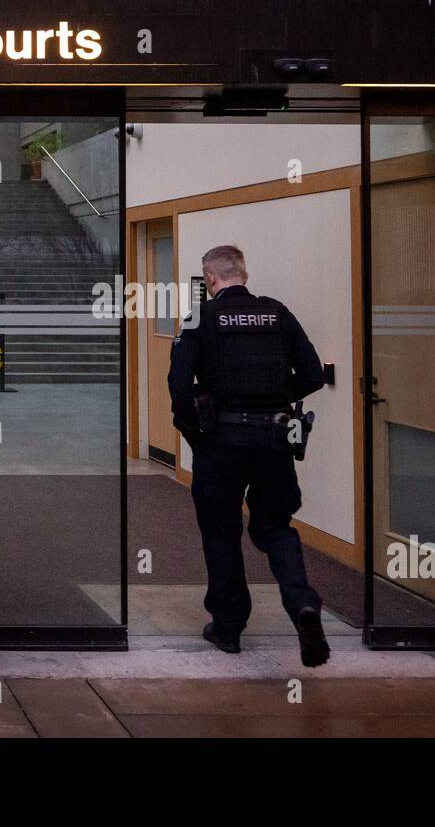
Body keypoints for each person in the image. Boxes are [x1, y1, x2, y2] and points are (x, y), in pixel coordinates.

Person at [168, 244, 330, 667]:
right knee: (275, 526)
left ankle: (228, 628)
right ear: (243, 272)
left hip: (220, 442)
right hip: (274, 438)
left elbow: (178, 387)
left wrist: (195, 434)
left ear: (210, 278)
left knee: (221, 532)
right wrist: (276, 398)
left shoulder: (198, 317)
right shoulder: (277, 312)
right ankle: (303, 606)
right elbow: (312, 374)